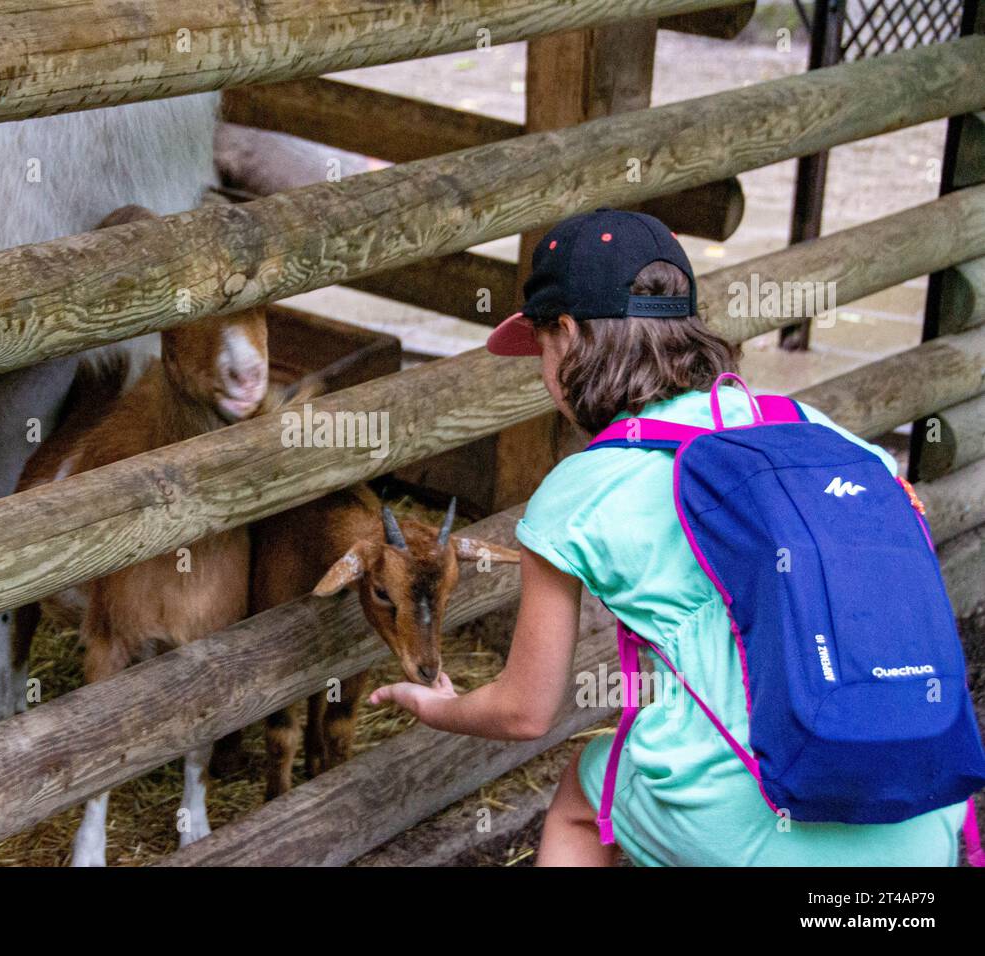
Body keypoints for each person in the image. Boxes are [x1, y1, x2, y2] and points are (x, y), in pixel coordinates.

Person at [369, 208, 966, 866]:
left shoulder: (579, 490)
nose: (542, 372)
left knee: (582, 797)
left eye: (540, 346)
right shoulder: (813, 428)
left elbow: (524, 712)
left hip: (752, 819)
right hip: (926, 806)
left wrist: (436, 706)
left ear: (567, 333)